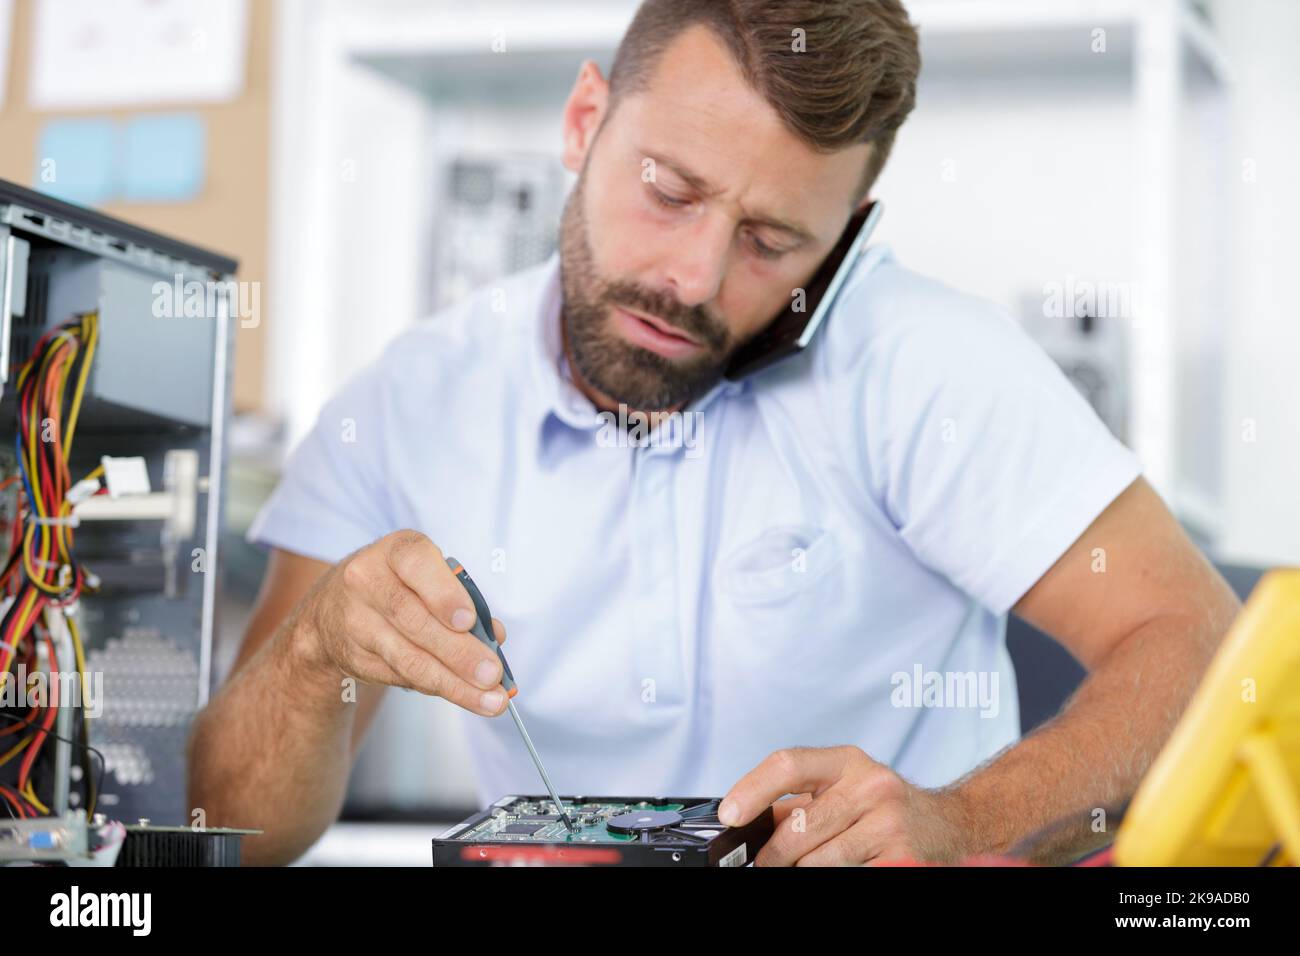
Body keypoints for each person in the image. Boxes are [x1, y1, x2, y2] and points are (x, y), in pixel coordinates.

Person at [188, 0, 1241, 866]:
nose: (692, 278)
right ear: (582, 119)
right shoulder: (412, 399)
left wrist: (956, 817)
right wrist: (316, 649)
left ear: (846, 239)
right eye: (668, 191)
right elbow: (229, 832)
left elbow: (1195, 639)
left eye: (771, 239)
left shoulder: (928, 365)